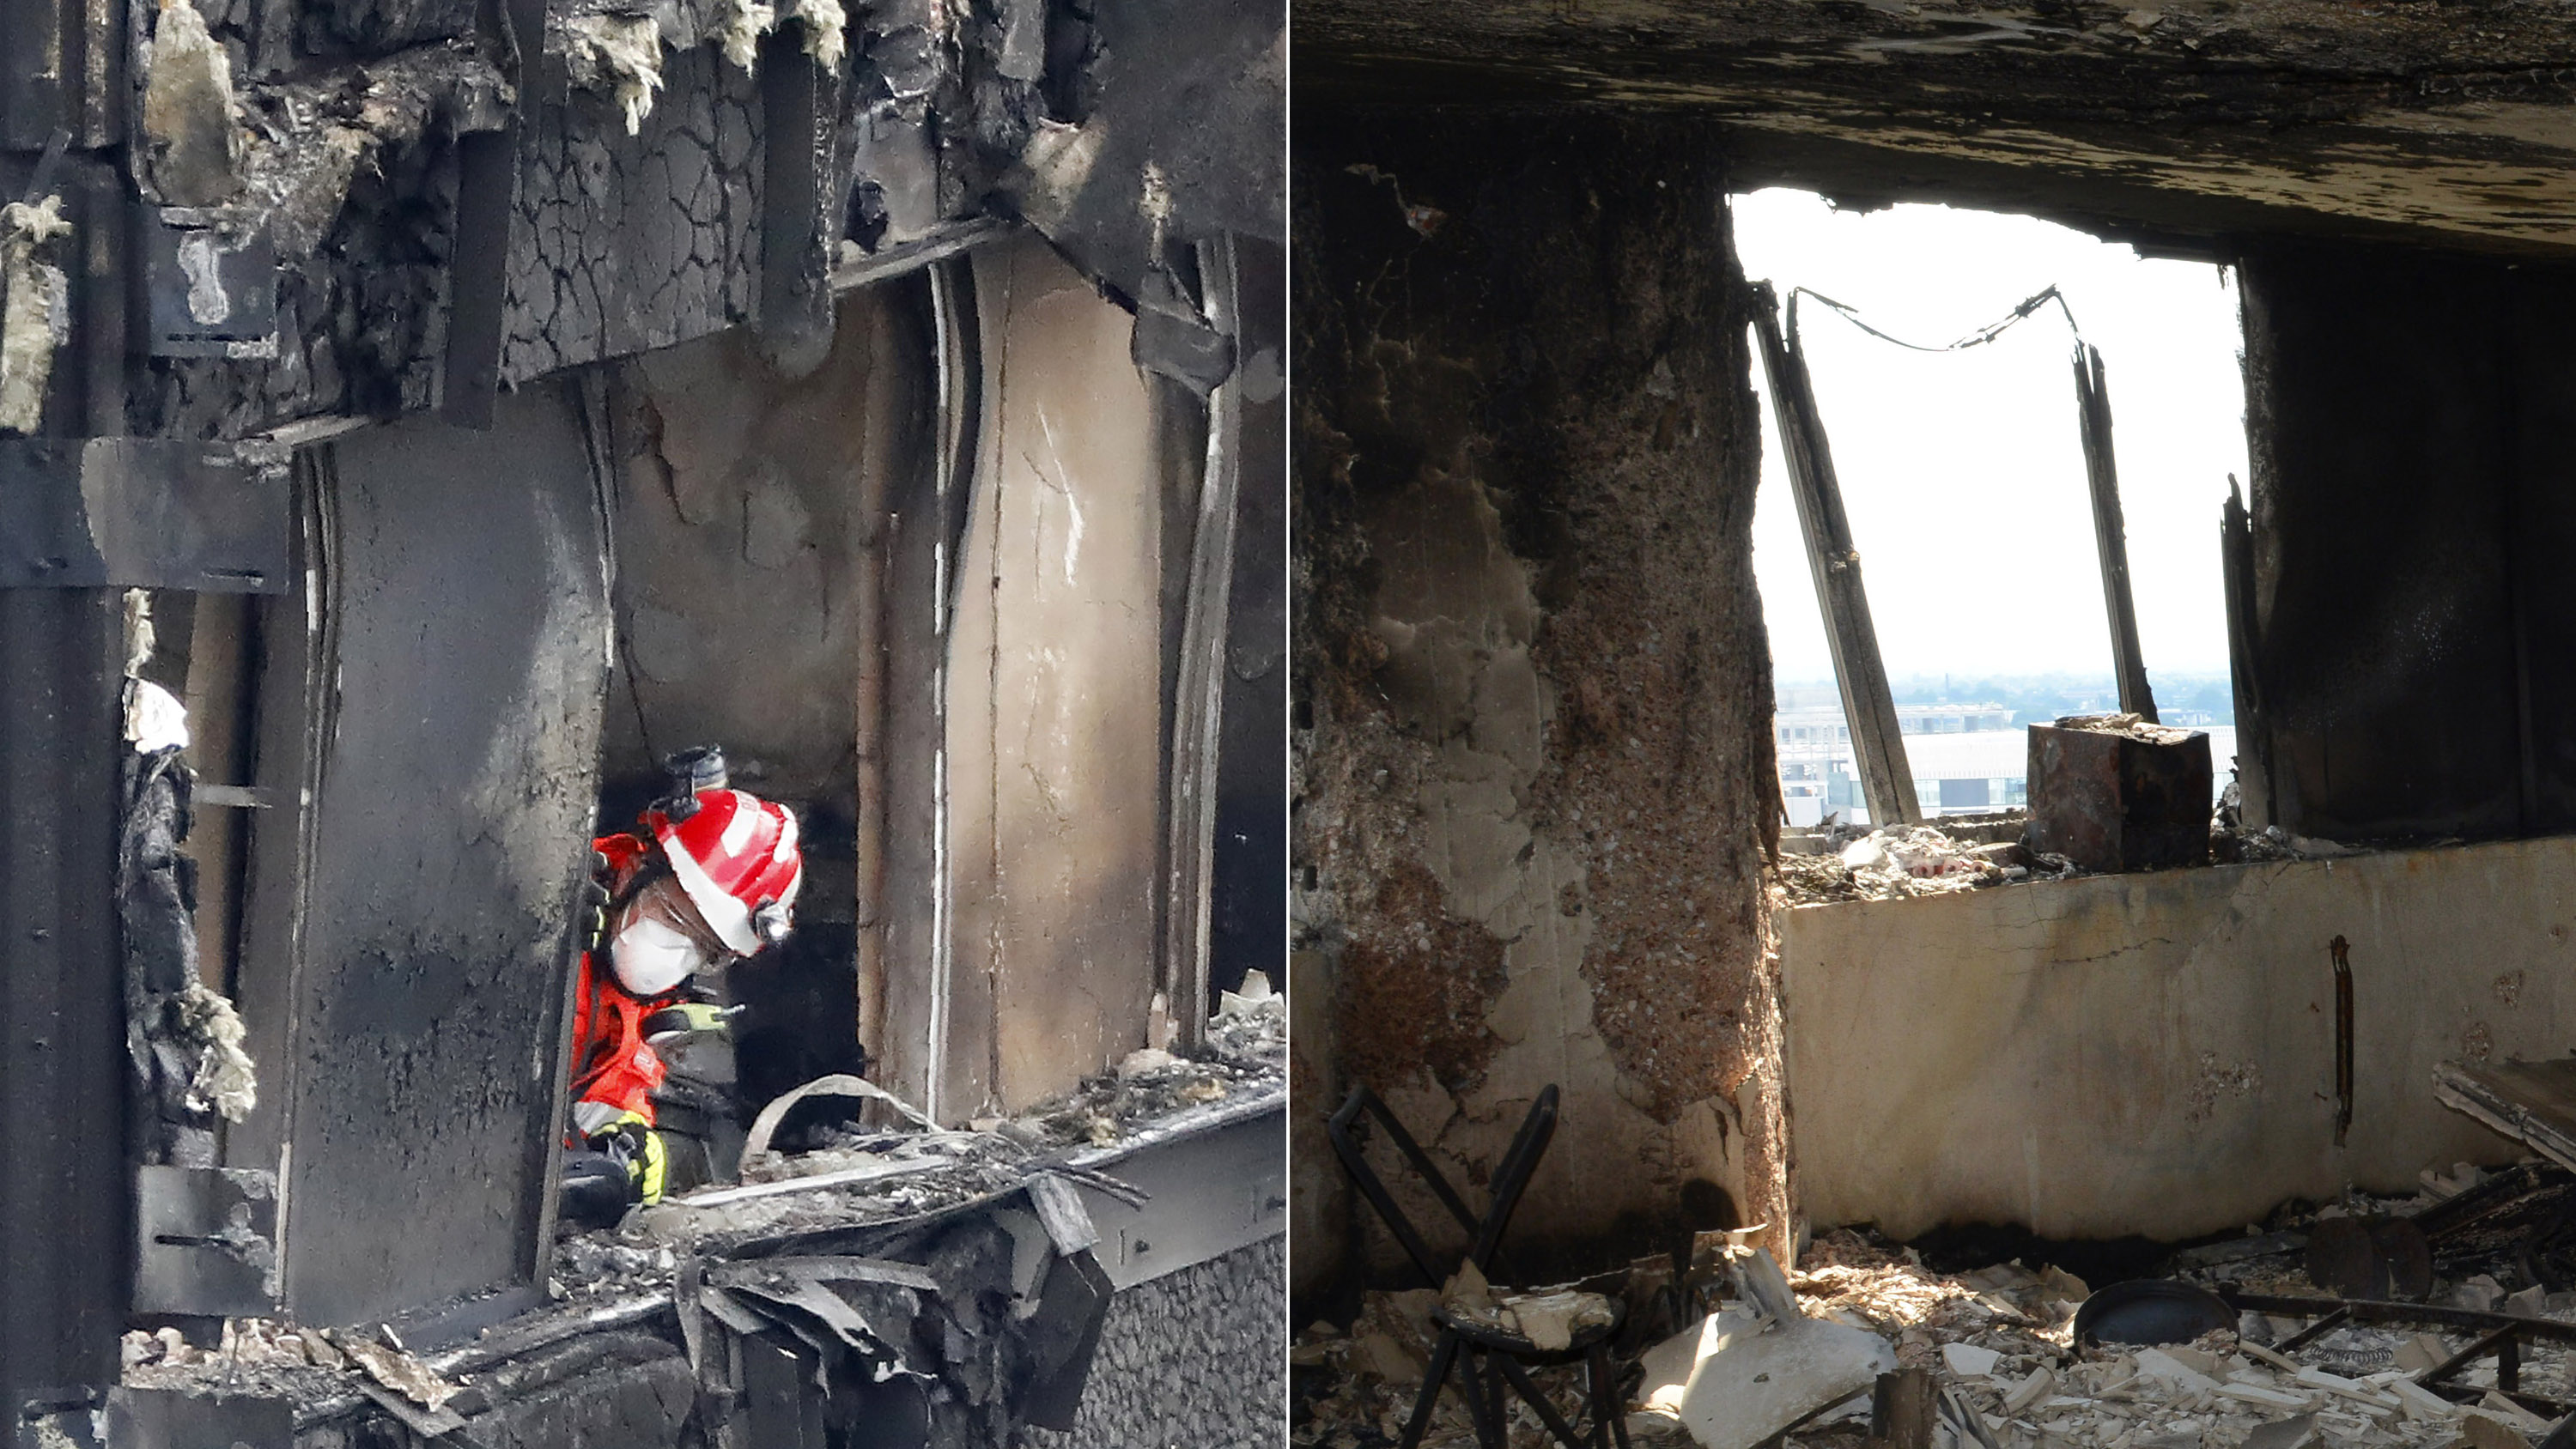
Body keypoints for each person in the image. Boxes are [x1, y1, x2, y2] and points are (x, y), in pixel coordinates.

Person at [558, 748, 804, 1227]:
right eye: (673, 917)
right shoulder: (537, 901)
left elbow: (612, 1085)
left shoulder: (637, 1010)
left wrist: (624, 1144)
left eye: (705, 950)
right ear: (638, 866)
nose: (675, 955)